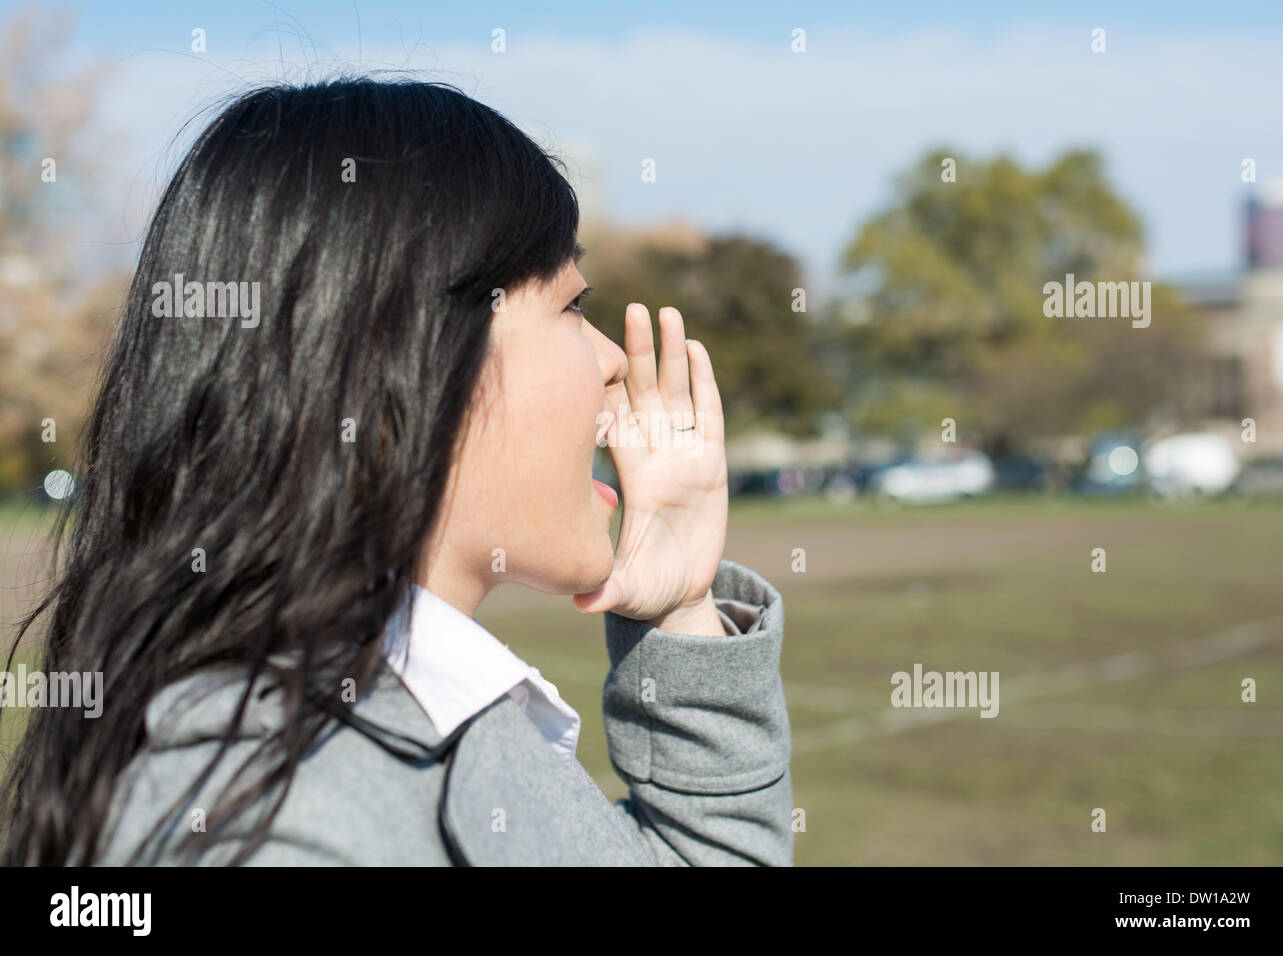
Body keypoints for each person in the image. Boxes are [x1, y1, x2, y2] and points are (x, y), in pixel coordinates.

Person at [0, 77, 792, 866]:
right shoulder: (287, 828)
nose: (616, 361)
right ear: (400, 359)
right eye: (573, 305)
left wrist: (684, 610)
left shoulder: (413, 713)